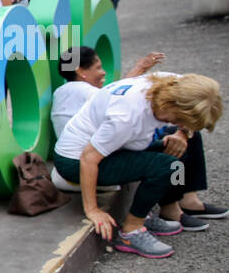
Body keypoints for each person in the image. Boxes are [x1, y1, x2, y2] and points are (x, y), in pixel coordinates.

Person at [53, 72, 223, 258]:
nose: (179, 123)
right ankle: (131, 231)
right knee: (167, 165)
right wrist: (93, 210)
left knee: (182, 144)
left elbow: (187, 124)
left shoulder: (171, 84)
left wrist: (183, 132)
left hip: (115, 146)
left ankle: (174, 207)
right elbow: (89, 158)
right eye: (179, 119)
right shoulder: (126, 117)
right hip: (75, 162)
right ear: (171, 104)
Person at [50, 46, 164, 139]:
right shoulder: (84, 90)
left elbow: (117, 92)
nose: (104, 73)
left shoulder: (61, 92)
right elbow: (120, 97)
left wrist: (140, 68)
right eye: (98, 68)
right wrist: (140, 68)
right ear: (80, 71)